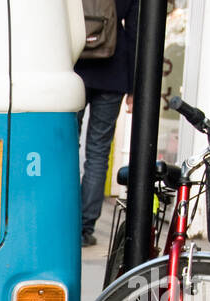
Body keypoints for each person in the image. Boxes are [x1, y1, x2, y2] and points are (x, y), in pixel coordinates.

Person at [76, 0, 139, 247]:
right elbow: (135, 34)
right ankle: (85, 227)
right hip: (113, 70)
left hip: (74, 68)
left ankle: (65, 220)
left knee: (67, 149)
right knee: (98, 153)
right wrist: (134, 87)